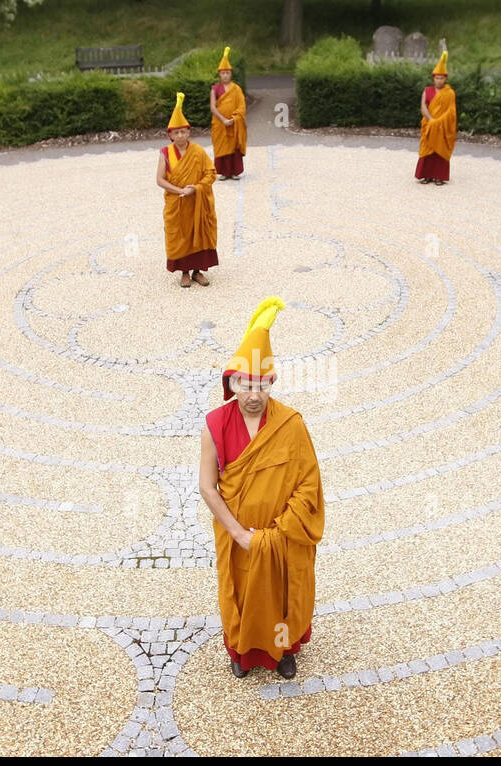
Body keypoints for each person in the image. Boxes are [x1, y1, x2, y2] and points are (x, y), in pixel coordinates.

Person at [198, 297, 324, 680]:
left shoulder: (291, 425)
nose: (253, 395)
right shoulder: (215, 425)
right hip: (235, 537)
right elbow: (207, 487)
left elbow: (309, 483)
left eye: (261, 385)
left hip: (282, 537)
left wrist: (278, 531)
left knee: (284, 592)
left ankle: (283, 650)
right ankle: (241, 651)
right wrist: (238, 533)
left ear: (271, 382)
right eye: (245, 384)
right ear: (232, 383)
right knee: (240, 592)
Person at [156, 92, 218, 287]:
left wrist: (196, 188)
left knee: (198, 234)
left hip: (197, 202)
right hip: (177, 202)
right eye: (176, 132)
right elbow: (159, 179)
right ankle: (184, 272)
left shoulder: (198, 151)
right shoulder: (165, 153)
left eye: (183, 131)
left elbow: (211, 173)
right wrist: (179, 190)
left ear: (189, 132)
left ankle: (198, 272)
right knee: (180, 236)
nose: (180, 135)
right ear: (170, 135)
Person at [415, 51, 456, 186]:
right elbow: (423, 107)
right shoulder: (427, 90)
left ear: (445, 79)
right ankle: (426, 175)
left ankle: (439, 176)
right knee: (427, 148)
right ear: (433, 79)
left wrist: (438, 121)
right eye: (437, 78)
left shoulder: (449, 93)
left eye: (442, 78)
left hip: (442, 127)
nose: (439, 80)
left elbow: (451, 111)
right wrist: (431, 120)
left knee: (440, 149)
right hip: (429, 124)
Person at [209, 47, 247, 180]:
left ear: (231, 74)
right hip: (220, 124)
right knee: (222, 146)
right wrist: (223, 119)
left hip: (234, 123)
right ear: (219, 74)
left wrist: (235, 118)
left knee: (234, 147)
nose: (225, 75)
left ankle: (235, 172)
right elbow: (213, 107)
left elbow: (242, 105)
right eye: (223, 73)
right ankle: (224, 172)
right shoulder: (215, 89)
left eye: (227, 73)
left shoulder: (236, 89)